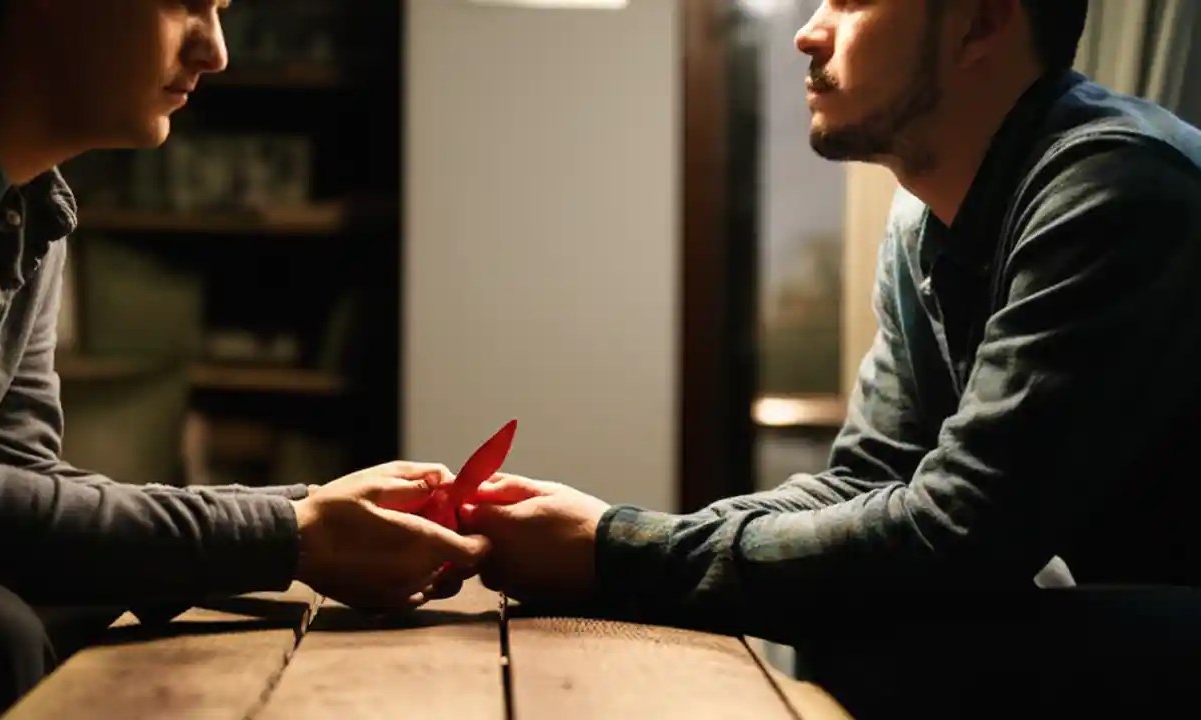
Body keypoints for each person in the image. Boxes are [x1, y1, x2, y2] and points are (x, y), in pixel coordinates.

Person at [460, 0, 1201, 716]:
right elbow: (867, 479)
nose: (808, 34)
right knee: (851, 611)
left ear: (979, 22)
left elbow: (957, 536)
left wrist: (616, 552)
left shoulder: (1115, 188)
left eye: (853, 0)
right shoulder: (924, 220)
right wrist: (619, 534)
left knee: (891, 637)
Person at [0, 1, 486, 717]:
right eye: (184, 3)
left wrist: (309, 512)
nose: (215, 51)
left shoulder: (34, 200)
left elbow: (15, 480)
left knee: (72, 605)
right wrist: (295, 537)